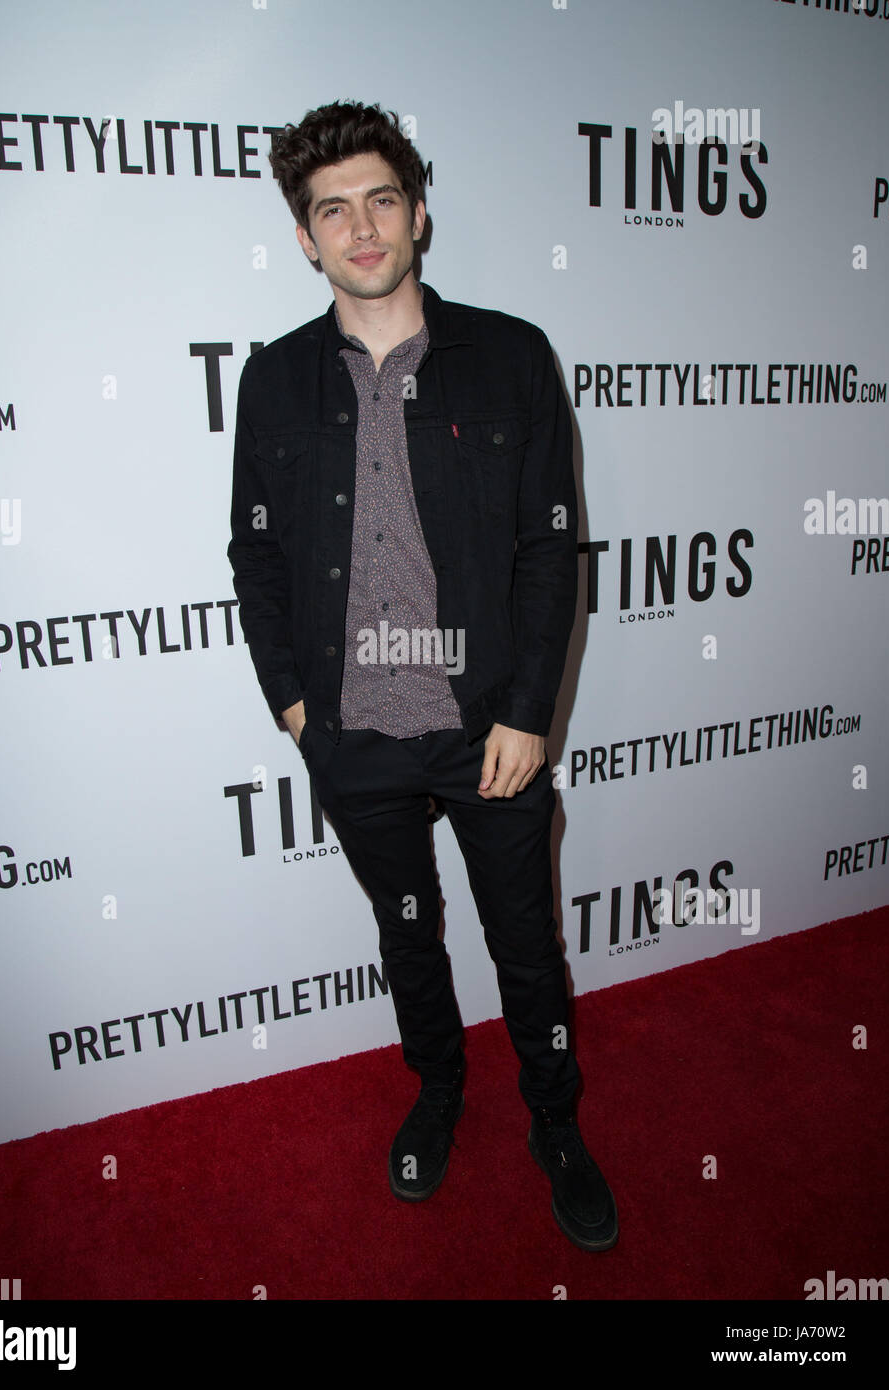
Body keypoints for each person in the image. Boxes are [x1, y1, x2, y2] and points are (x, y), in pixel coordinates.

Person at [228, 100, 617, 1251]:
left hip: (485, 730)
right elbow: (253, 548)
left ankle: (555, 1125)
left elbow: (551, 546)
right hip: (355, 737)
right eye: (331, 210)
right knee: (409, 935)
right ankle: (438, 1091)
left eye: (380, 200)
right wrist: (295, 703)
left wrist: (528, 713)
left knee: (525, 947)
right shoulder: (274, 381)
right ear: (304, 237)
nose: (360, 228)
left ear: (418, 213)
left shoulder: (508, 356)